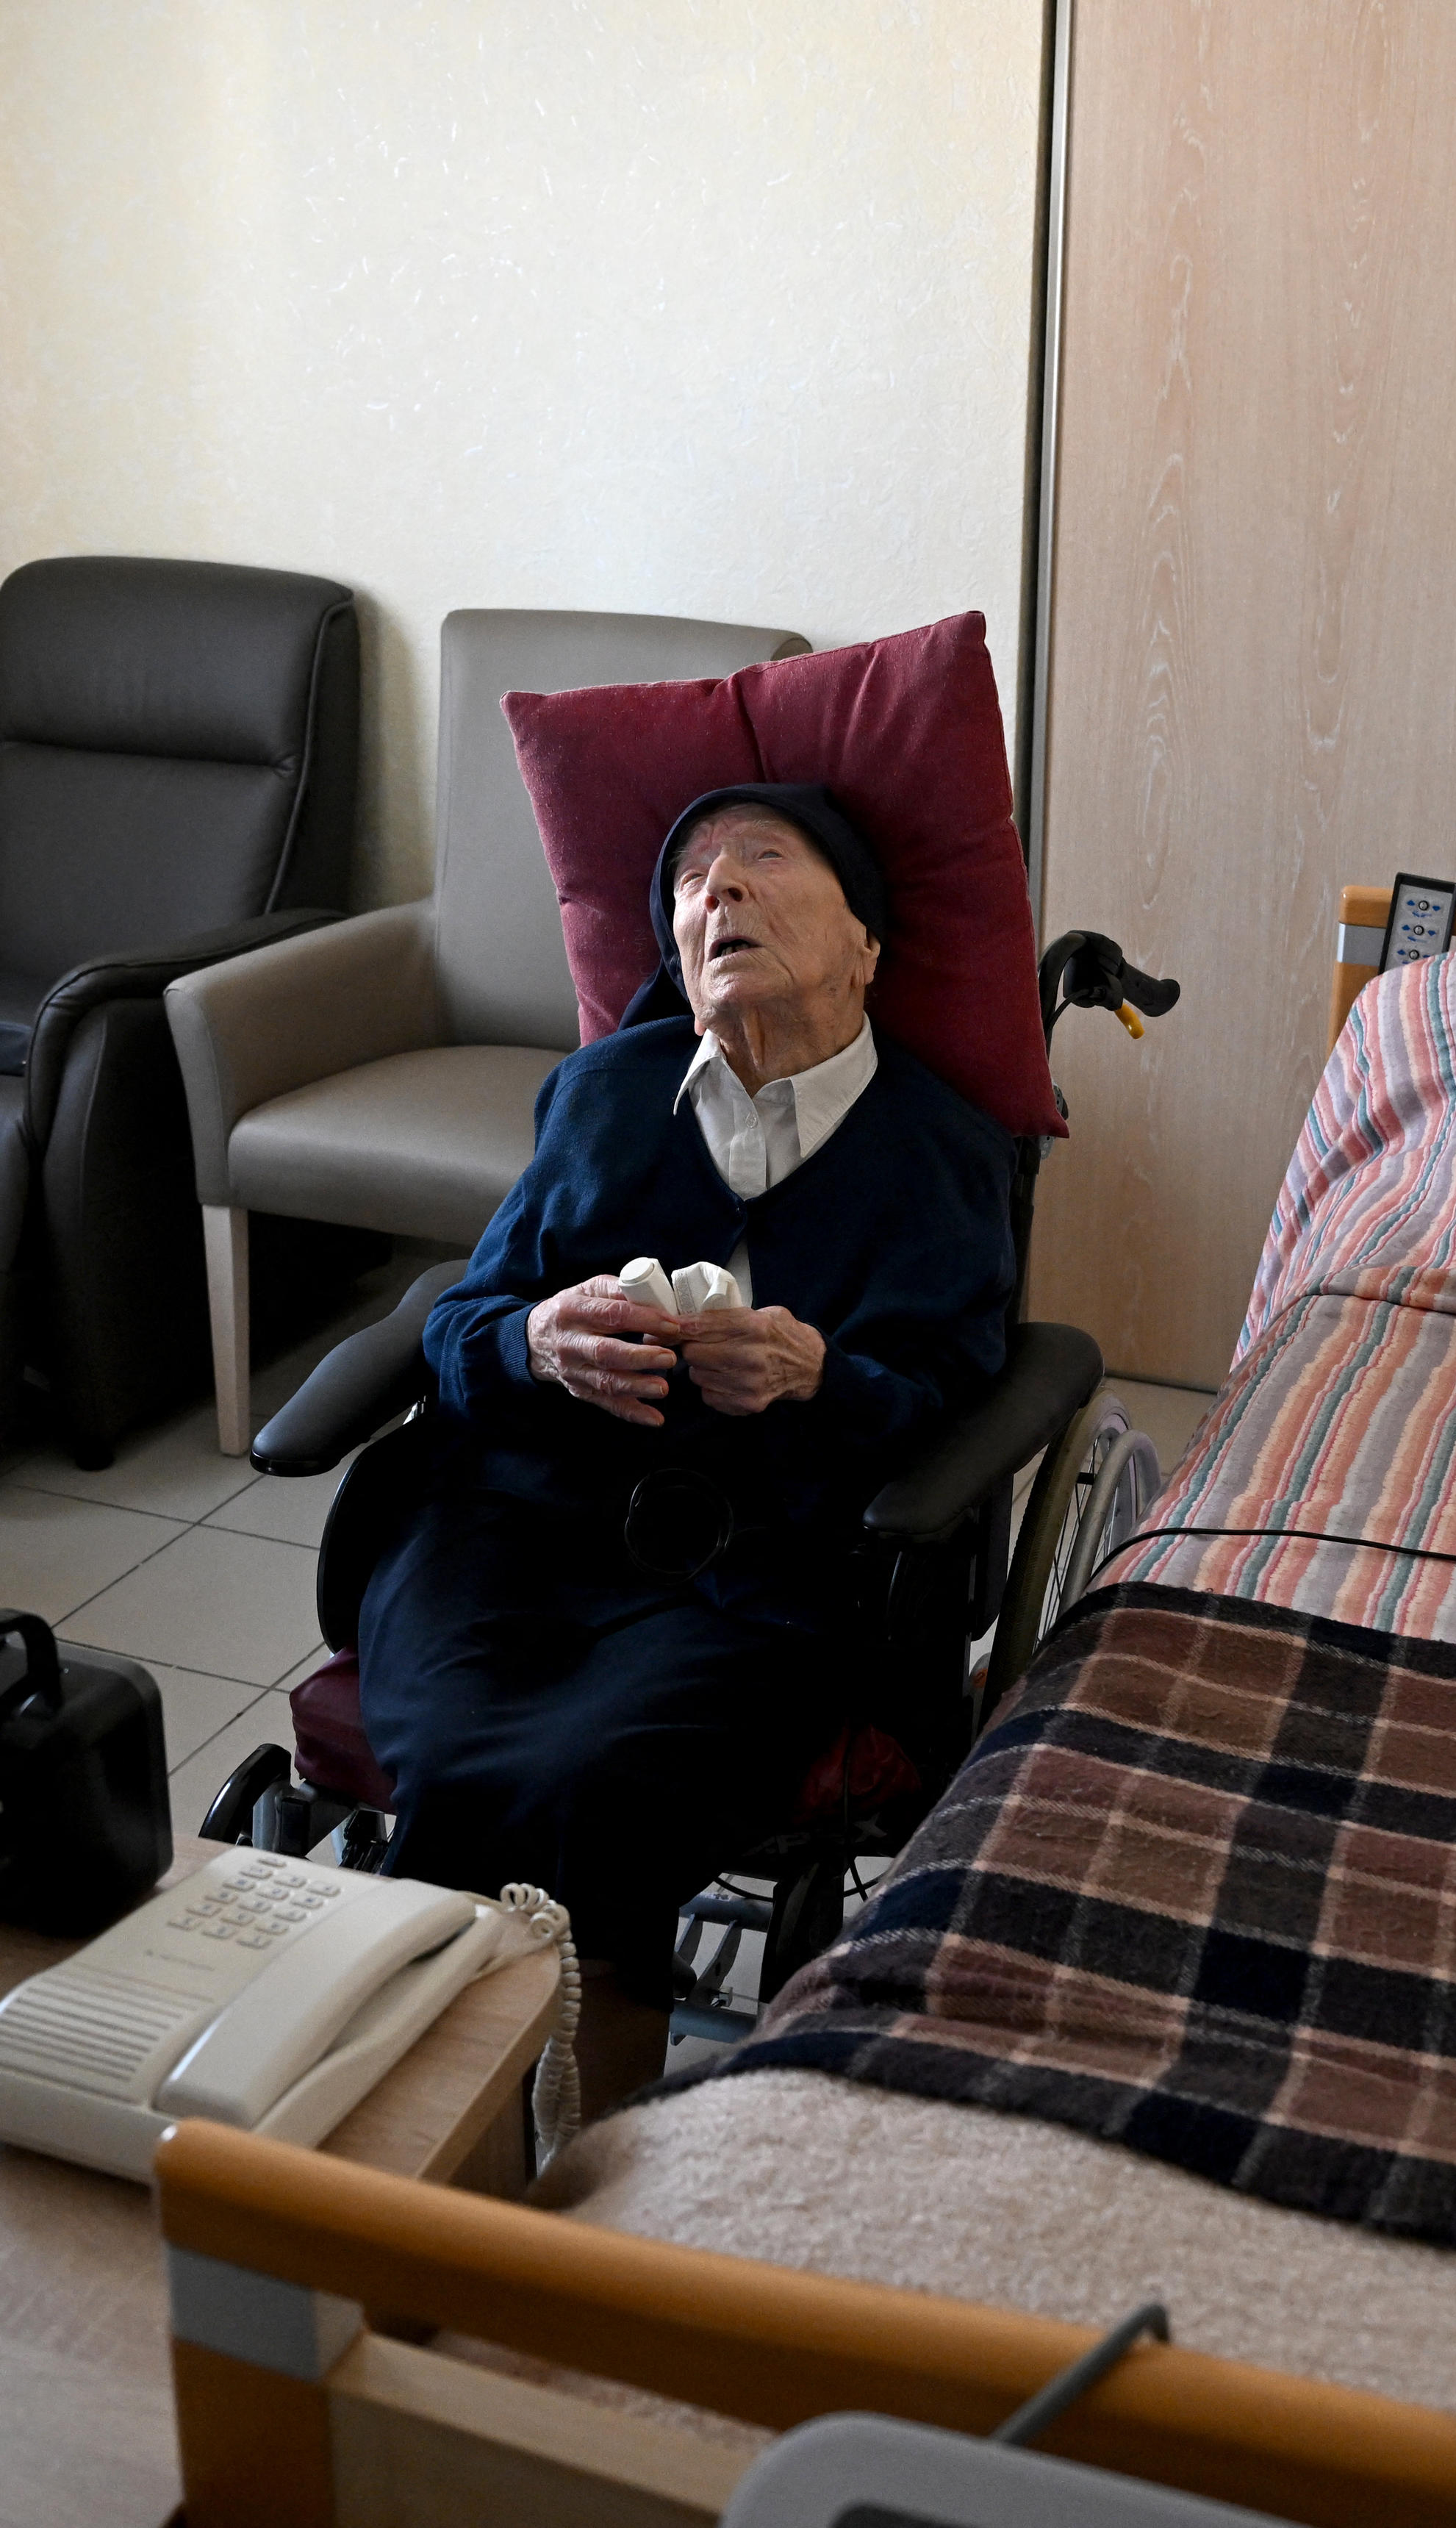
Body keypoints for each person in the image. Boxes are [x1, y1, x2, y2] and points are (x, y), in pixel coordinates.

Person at [359, 782, 1014, 2100]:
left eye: (765, 860)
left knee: (597, 1778)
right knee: (457, 1746)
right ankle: (417, 2132)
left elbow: (951, 1403)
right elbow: (463, 1323)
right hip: (512, 1530)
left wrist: (820, 1375)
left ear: (867, 943)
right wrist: (537, 1339)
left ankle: (591, 2146)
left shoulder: (942, 1152)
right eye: (693, 882)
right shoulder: (603, 1096)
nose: (722, 891)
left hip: (760, 1572)